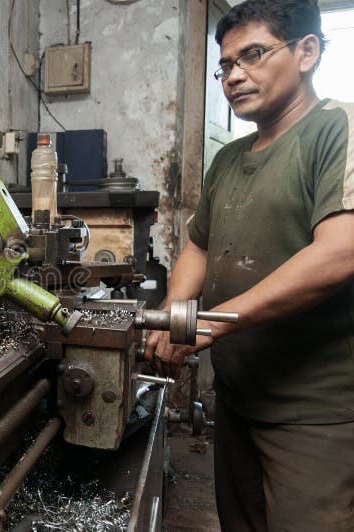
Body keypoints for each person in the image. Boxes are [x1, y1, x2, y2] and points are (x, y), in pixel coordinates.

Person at [144, 0, 354, 530]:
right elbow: (199, 246)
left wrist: (207, 323)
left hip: (315, 412)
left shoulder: (337, 130)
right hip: (237, 401)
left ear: (307, 52)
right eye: (226, 65)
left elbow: (340, 252)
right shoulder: (229, 159)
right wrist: (175, 311)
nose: (234, 76)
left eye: (253, 55)